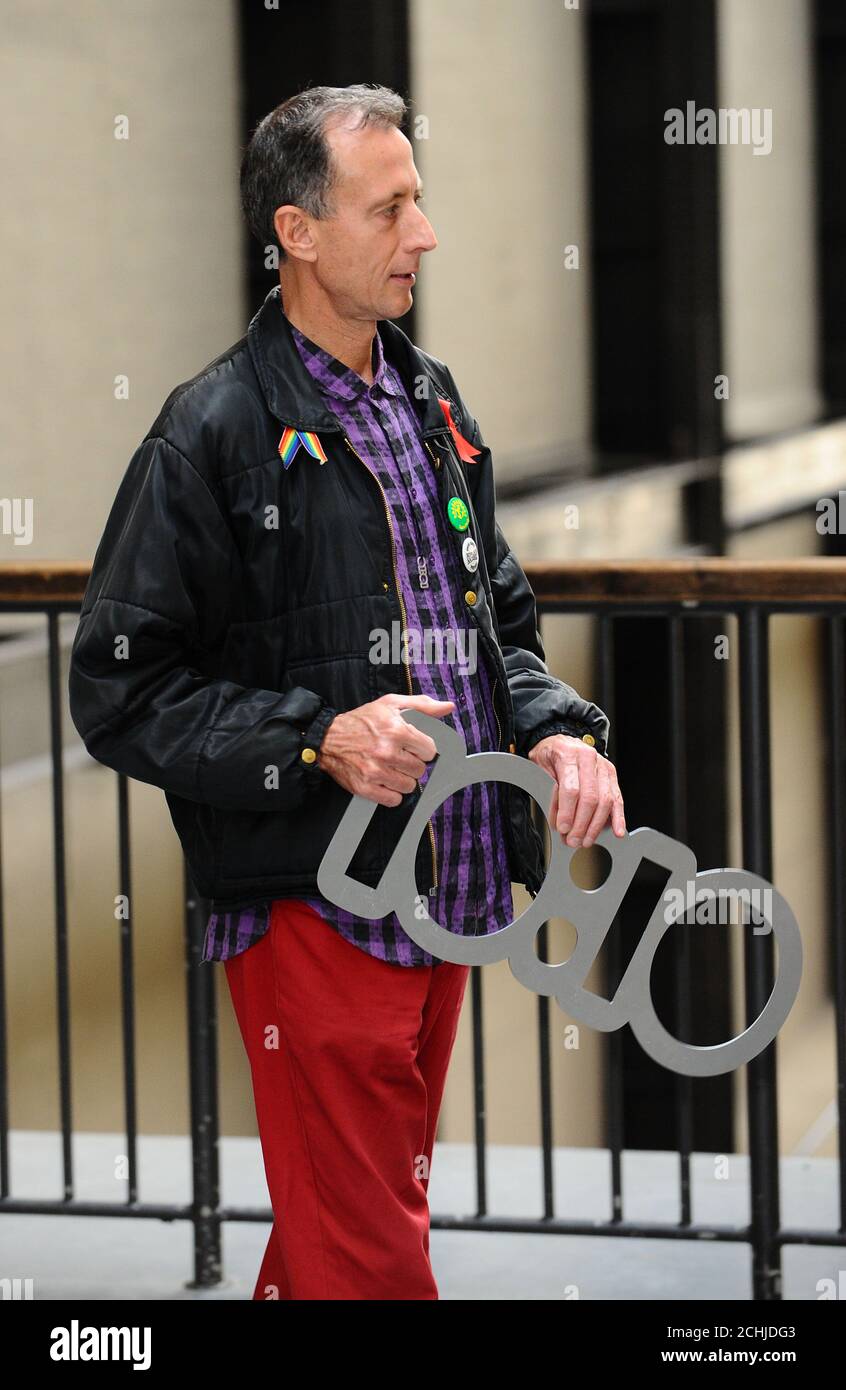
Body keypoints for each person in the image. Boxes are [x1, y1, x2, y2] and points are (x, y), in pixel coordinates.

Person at [68, 83, 626, 1300]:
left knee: (345, 1227)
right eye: (392, 208)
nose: (423, 233)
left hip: (451, 896)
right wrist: (316, 738)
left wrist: (555, 730)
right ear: (298, 231)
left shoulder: (432, 405)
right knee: (372, 1259)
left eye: (417, 201)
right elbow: (121, 687)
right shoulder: (206, 434)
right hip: (319, 912)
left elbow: (504, 634)